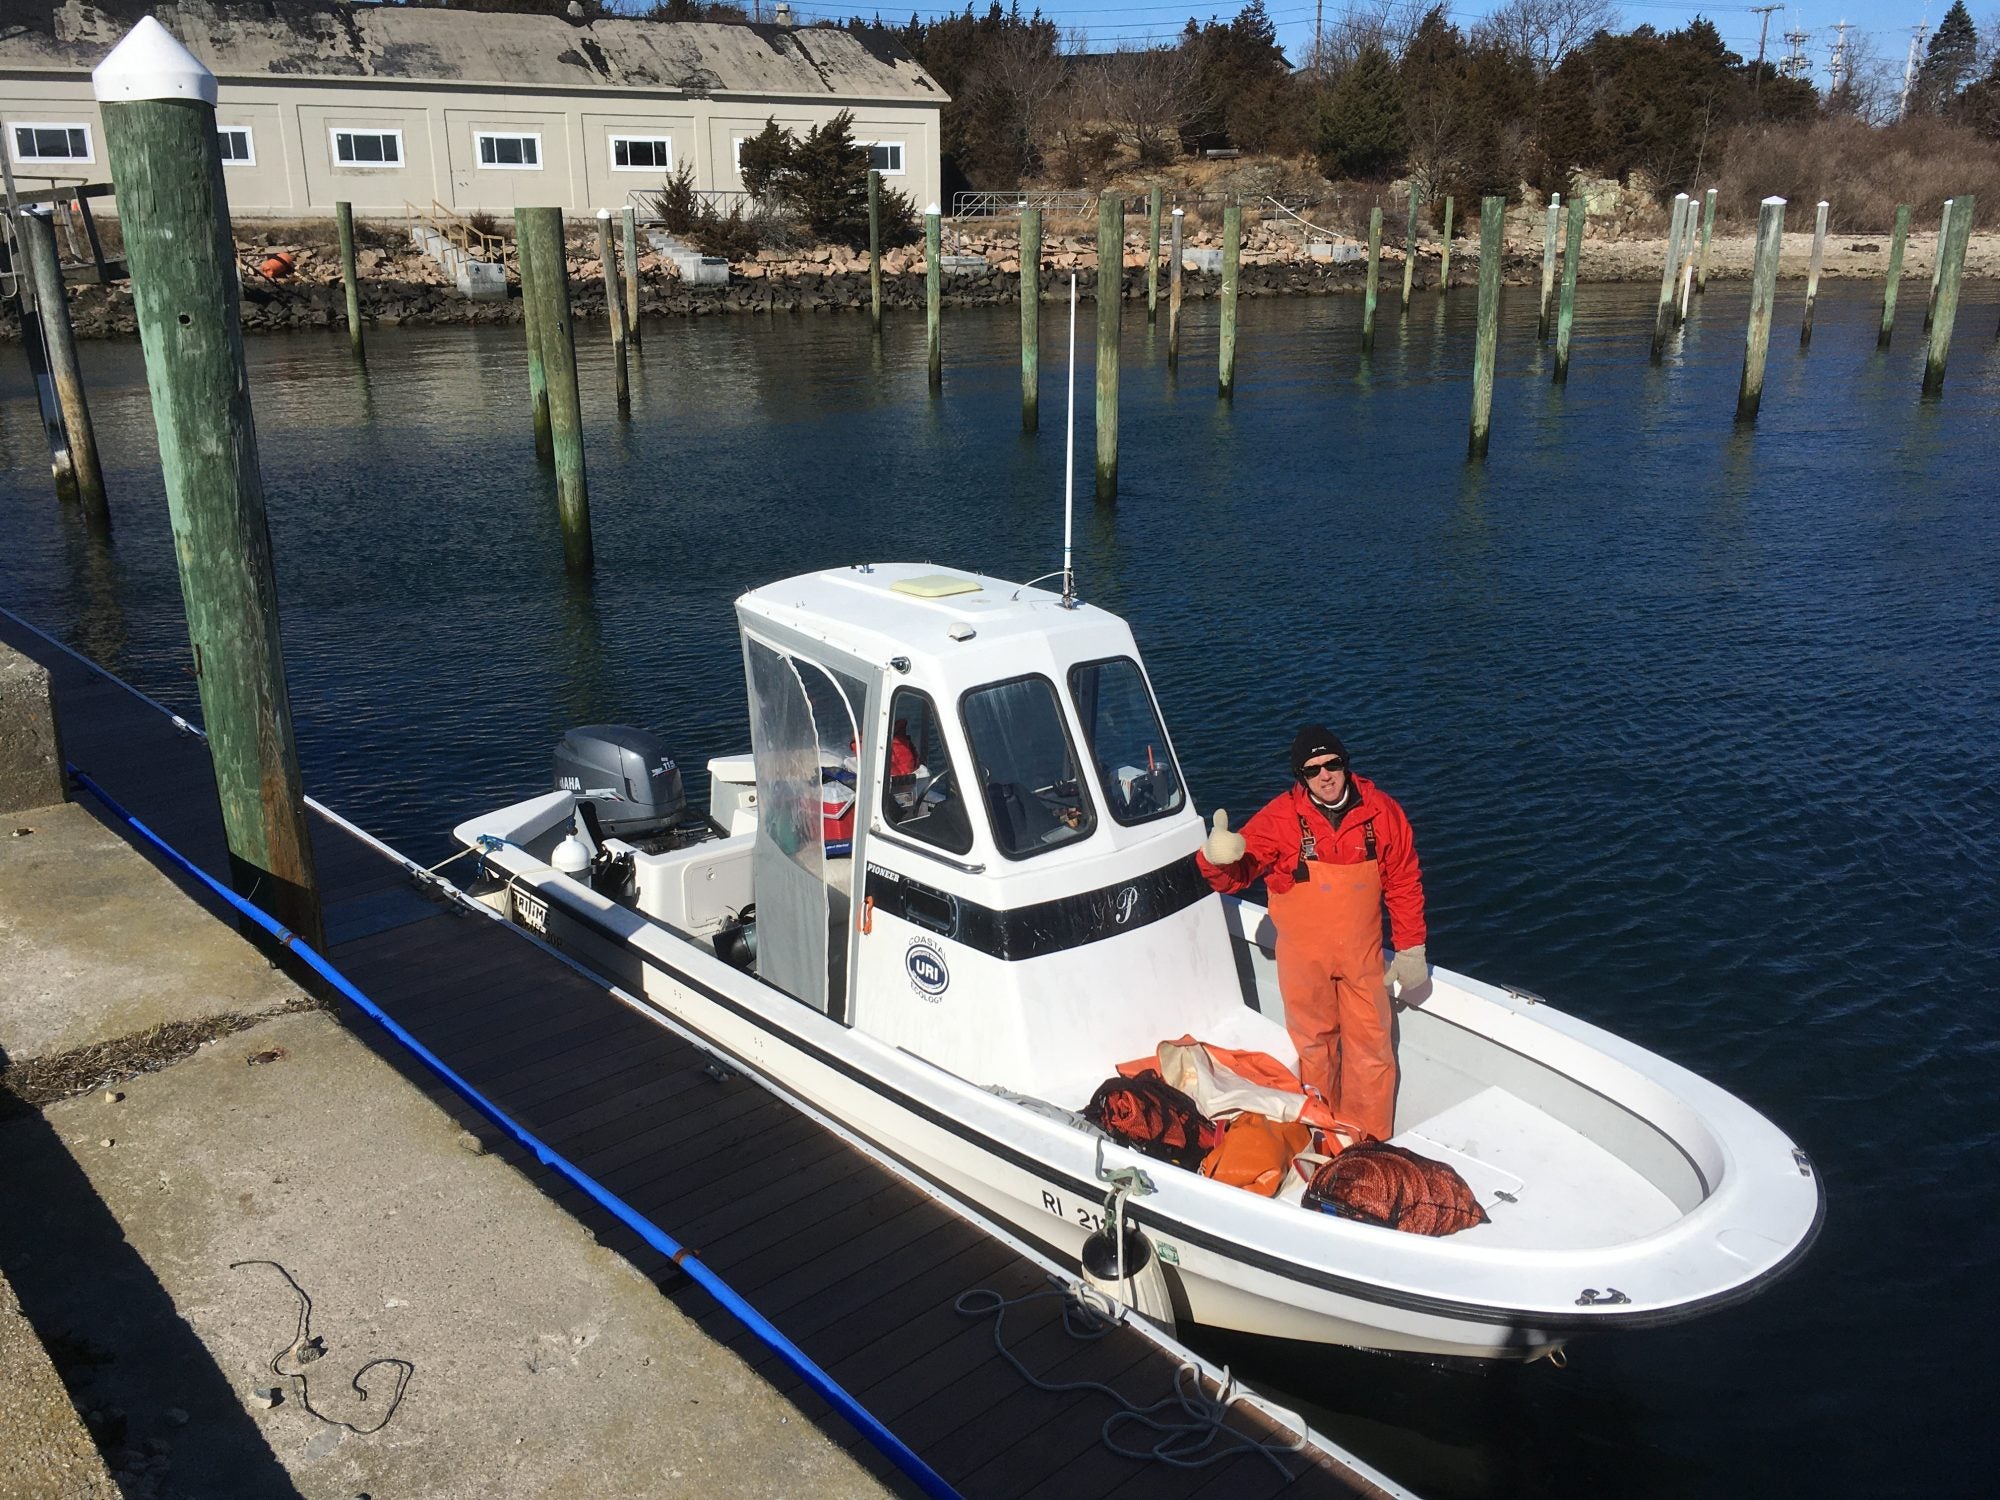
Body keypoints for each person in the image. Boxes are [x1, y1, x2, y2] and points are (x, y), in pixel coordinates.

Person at [1195, 726, 1427, 1144]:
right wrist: (1215, 859)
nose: (1325, 775)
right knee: (1313, 1049)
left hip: (1362, 958)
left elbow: (1404, 882)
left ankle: (1369, 1144)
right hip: (1303, 962)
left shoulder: (1382, 813)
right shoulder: (1280, 818)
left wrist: (1410, 948)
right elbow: (1239, 874)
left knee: (1372, 1048)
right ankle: (1323, 1136)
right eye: (1312, 769)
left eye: (1332, 764)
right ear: (1300, 776)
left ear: (1345, 765)